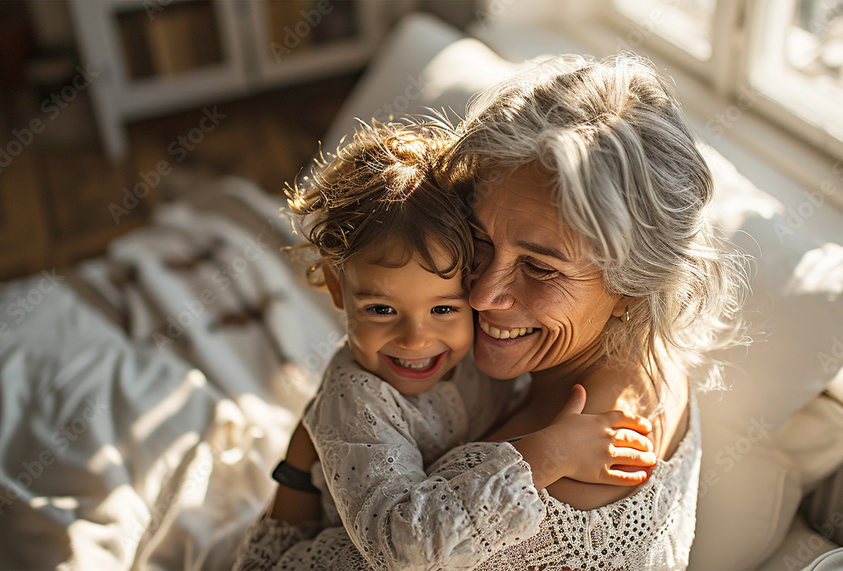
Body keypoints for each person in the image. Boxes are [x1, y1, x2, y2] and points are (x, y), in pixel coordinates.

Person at [238, 52, 744, 570]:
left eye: (540, 268)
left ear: (634, 287)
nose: (480, 296)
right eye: (478, 240)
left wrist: (298, 469)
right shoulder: (655, 363)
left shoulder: (523, 505)